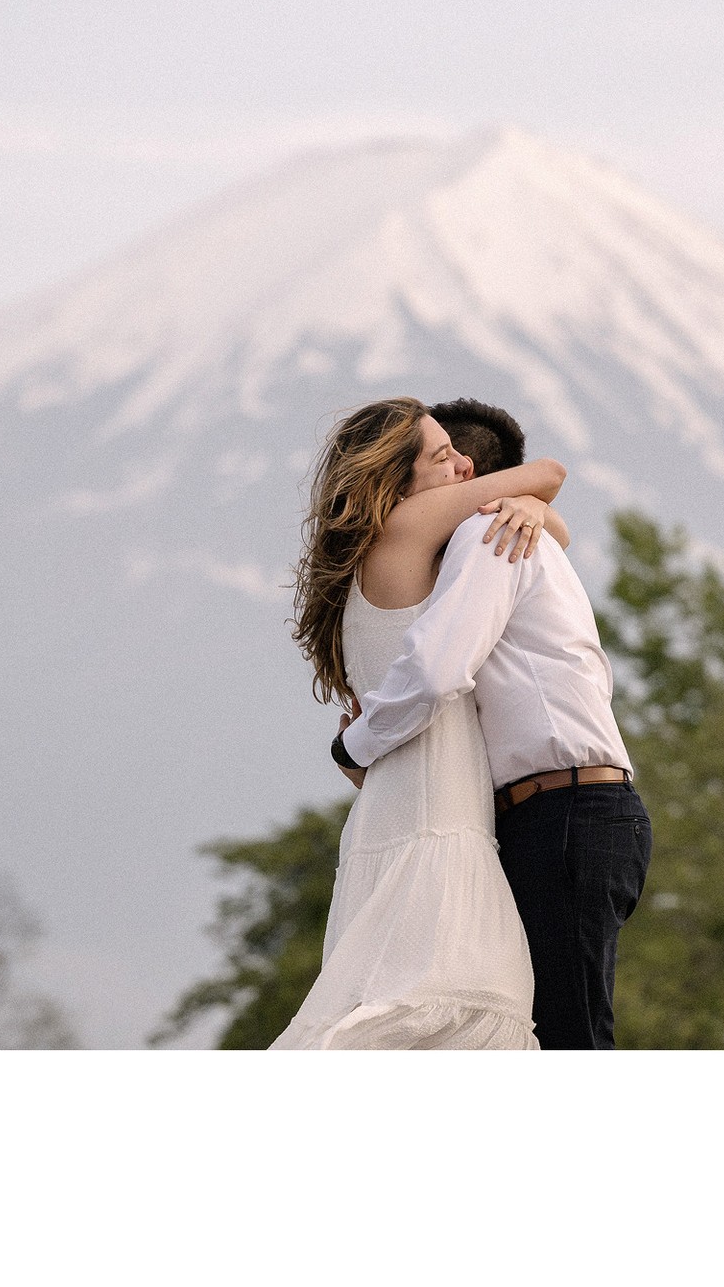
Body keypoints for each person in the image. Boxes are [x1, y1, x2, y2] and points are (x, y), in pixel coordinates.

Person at [334, 397, 653, 1050]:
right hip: (556, 811)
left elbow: (434, 670)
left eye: (452, 458)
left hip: (566, 810)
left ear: (472, 478)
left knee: (568, 1037)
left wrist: (353, 746)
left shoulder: (488, 534)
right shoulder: (509, 534)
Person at [270, 396, 568, 1049]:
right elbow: (546, 471)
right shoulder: (416, 521)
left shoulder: (374, 558)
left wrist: (537, 513)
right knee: (446, 1012)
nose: (464, 463)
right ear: (396, 481)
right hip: (439, 823)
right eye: (442, 456)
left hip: (398, 819)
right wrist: (534, 501)